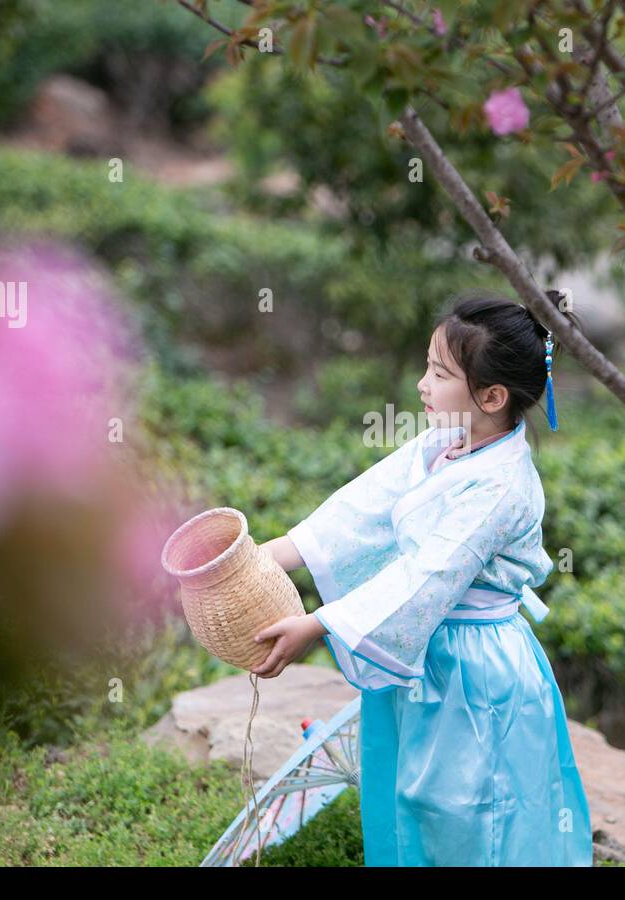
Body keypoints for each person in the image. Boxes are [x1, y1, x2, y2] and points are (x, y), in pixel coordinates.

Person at [253, 290, 593, 867]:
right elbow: (363, 511)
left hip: (474, 668)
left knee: (465, 807)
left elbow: (428, 574)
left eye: (439, 373)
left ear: (490, 395)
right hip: (426, 648)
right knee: (404, 790)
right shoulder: (445, 443)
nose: (421, 385)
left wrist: (319, 624)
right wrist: (272, 556)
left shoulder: (501, 487)